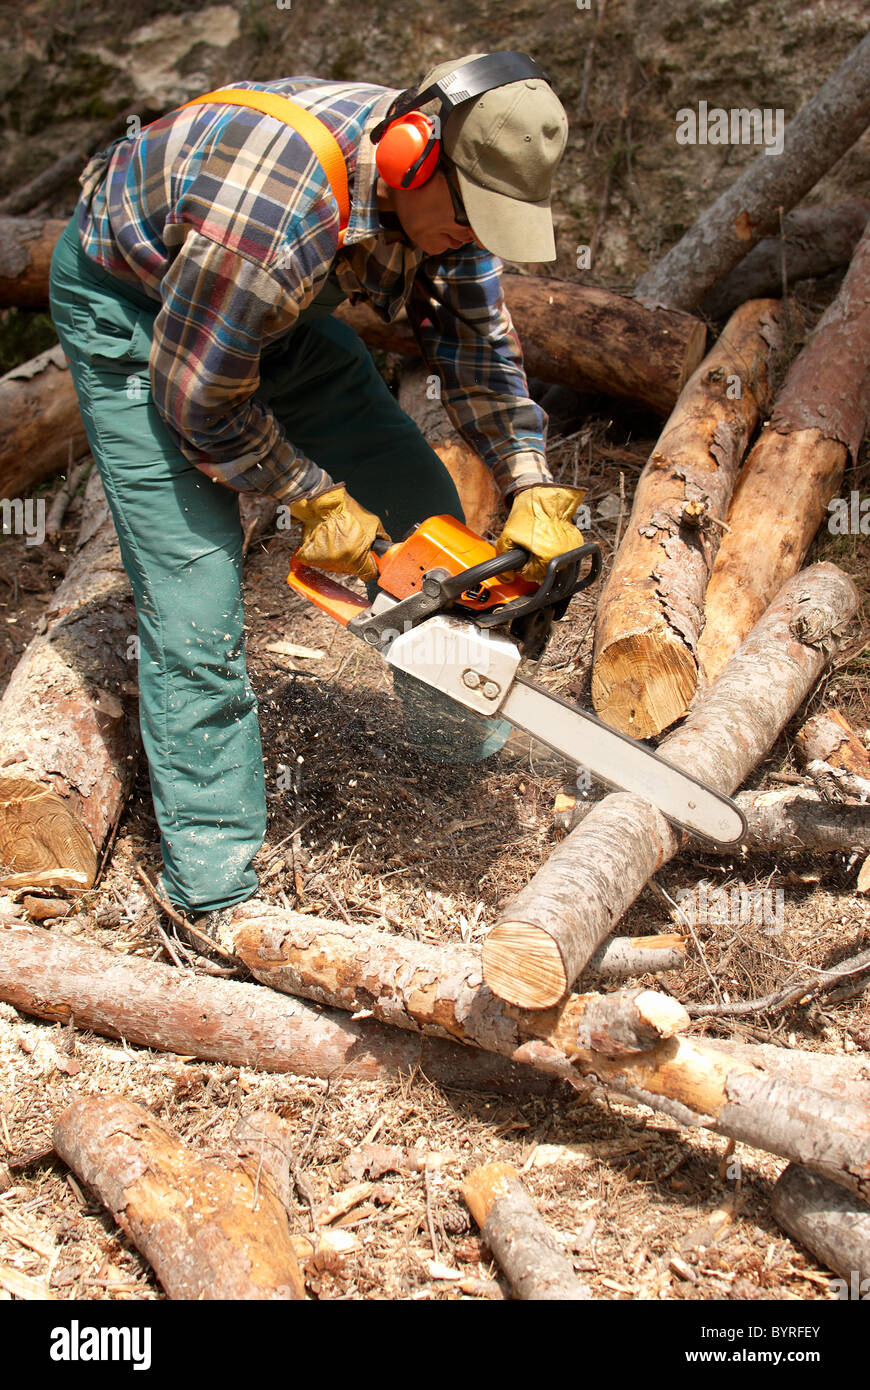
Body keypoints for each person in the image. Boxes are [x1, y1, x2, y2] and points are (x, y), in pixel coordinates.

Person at [48, 50, 587, 938]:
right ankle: (215, 891)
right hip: (140, 312)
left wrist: (529, 476)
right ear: (413, 153)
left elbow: (480, 352)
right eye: (470, 216)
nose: (475, 236)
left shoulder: (446, 205)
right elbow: (197, 395)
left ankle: (459, 736)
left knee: (422, 504)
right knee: (196, 586)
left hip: (264, 310)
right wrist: (306, 496)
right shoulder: (279, 211)